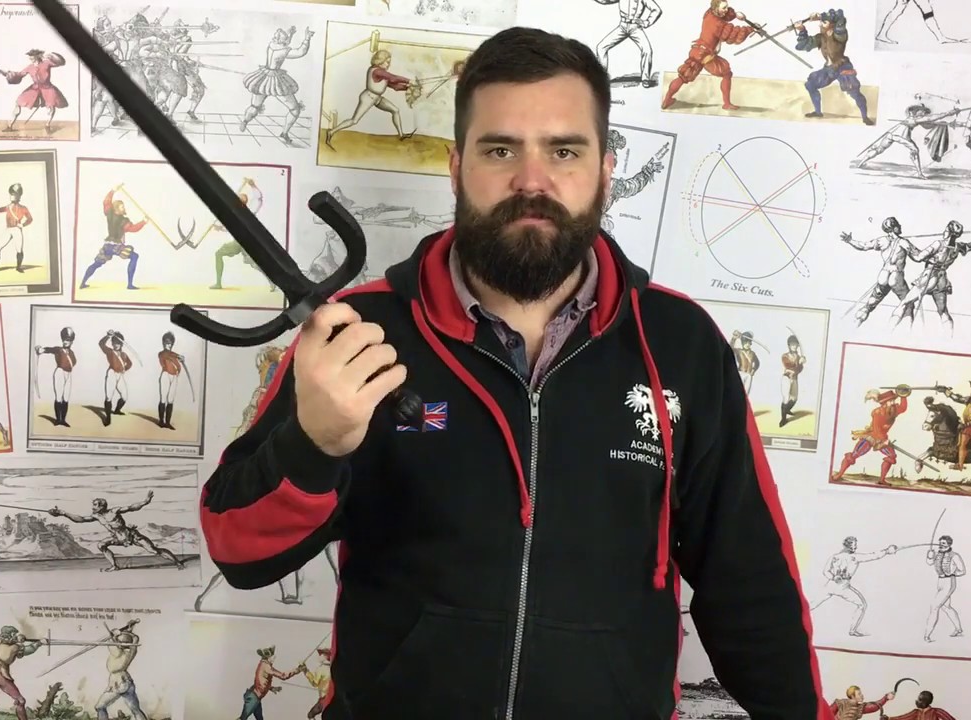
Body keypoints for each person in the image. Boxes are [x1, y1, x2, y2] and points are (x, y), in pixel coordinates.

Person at [200, 26, 825, 718]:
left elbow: (751, 585)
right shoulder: (357, 336)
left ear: (605, 170)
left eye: (564, 150)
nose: (532, 180)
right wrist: (313, 444)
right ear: (456, 166)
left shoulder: (681, 344)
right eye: (500, 150)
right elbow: (237, 548)